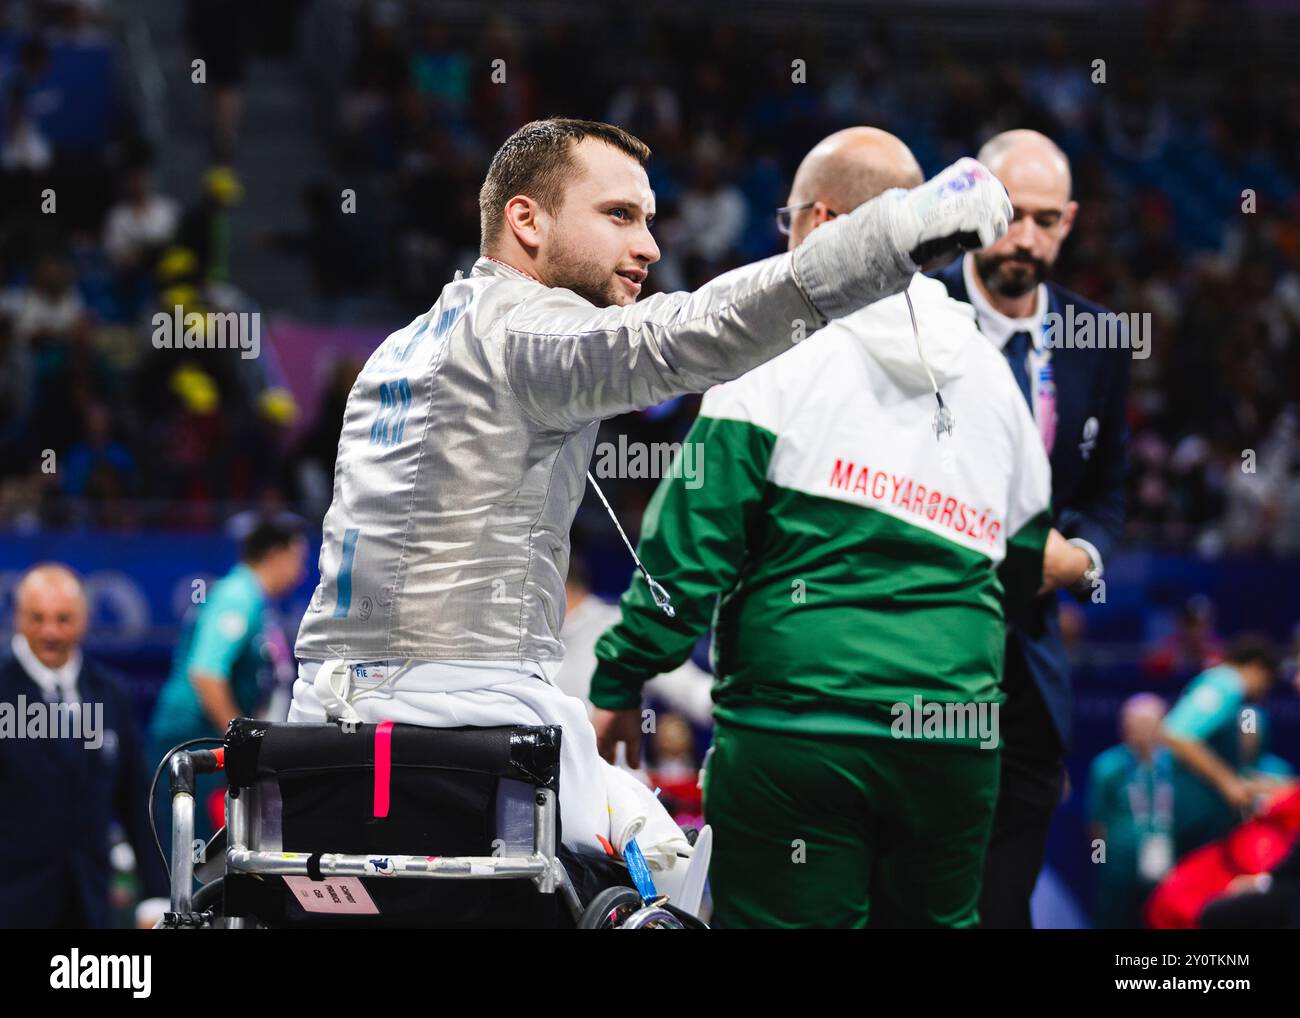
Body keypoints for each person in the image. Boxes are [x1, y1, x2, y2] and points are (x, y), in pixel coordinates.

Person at [287, 116, 1014, 872]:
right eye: (619, 216)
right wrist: (897, 234)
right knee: (679, 880)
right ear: (526, 220)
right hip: (461, 727)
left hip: (320, 726)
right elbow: (681, 336)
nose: (649, 247)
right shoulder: (521, 334)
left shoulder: (396, 351)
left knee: (648, 836)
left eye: (650, 220)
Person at [587, 127, 1051, 927]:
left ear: (821, 218)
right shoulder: (992, 373)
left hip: (799, 735)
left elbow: (689, 552)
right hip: (956, 740)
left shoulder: (768, 348)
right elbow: (1023, 567)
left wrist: (620, 679)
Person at [935, 129, 1131, 927]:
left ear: (1071, 221)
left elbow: (1109, 492)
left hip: (1031, 673)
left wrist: (1080, 555)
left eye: (1045, 220)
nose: (1024, 238)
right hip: (920, 655)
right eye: (1010, 214)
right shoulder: (914, 312)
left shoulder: (1097, 339)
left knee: (1002, 904)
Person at [0, 564, 168, 928]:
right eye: (37, 618)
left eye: (63, 619)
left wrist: (156, 893)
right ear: (17, 617)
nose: (50, 631)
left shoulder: (111, 693)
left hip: (90, 903)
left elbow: (135, 800)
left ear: (85, 619)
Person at [149, 516, 306, 841]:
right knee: (195, 862)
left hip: (207, 743)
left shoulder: (254, 600)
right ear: (278, 555)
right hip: (193, 744)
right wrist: (242, 746)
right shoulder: (238, 595)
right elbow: (206, 673)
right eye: (299, 559)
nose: (302, 572)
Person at [1161, 634, 1281, 856]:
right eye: (1267, 682)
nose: (1264, 692)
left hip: (1205, 814)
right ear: (1256, 668)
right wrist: (1228, 783)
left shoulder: (1230, 693)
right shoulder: (1226, 683)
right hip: (1198, 817)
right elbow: (1177, 734)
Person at [1087, 693, 1176, 928]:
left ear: (1162, 725)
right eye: (1131, 724)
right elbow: (1097, 823)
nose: (1137, 730)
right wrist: (1101, 863)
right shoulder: (1107, 765)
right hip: (1119, 864)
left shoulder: (1178, 764)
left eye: (1146, 724)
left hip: (1169, 859)